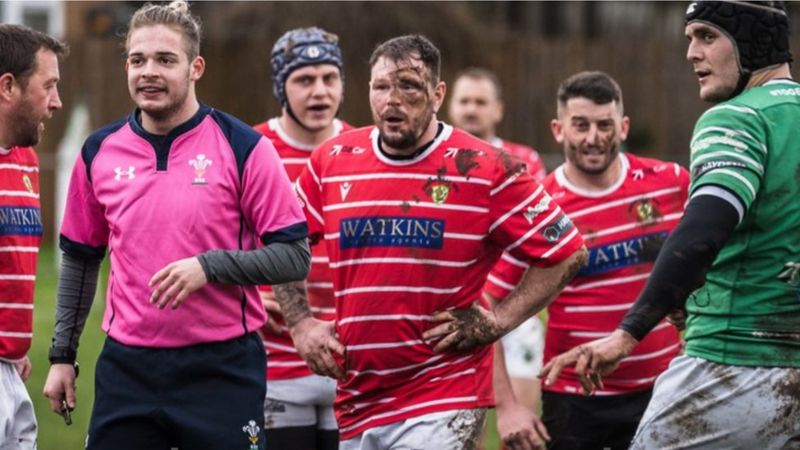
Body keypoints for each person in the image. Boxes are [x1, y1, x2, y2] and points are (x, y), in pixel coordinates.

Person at [276, 34, 587, 450]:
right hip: (358, 398)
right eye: (382, 86)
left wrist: (496, 322)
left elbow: (567, 252)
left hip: (444, 394)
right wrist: (300, 323)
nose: (392, 100)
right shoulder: (332, 160)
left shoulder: (486, 168)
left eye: (409, 86)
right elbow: (282, 240)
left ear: (438, 94)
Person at [41, 2, 310, 449]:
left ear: (195, 67)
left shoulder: (245, 147)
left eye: (166, 60)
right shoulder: (98, 152)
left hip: (222, 368)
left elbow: (294, 255)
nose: (149, 72)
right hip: (127, 369)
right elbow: (81, 259)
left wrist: (209, 266)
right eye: (138, 60)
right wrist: (62, 356)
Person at [541, 2, 800, 448]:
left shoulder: (736, 118)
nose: (691, 53)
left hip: (731, 363)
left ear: (751, 39)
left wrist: (627, 334)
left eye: (706, 36)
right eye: (688, 39)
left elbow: (703, 231)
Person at [493, 71, 688, 450]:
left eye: (605, 125)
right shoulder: (538, 209)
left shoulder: (671, 183)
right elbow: (485, 304)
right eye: (580, 125)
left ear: (624, 126)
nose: (594, 138)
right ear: (558, 129)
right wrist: (506, 407)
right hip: (575, 403)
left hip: (665, 391)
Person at [254, 26, 351, 450]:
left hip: (351, 358)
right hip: (273, 360)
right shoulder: (252, 149)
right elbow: (210, 241)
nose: (319, 92)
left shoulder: (363, 149)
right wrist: (245, 296)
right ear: (281, 86)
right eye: (304, 79)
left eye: (329, 78)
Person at [448, 66, 550, 448]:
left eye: (480, 102)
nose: (472, 110)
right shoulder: (438, 163)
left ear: (498, 110)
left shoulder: (524, 161)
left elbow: (531, 243)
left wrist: (495, 299)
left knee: (521, 428)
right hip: (456, 309)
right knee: (460, 430)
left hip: (514, 310)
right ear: (450, 106)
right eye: (464, 101)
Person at [0, 23, 66, 449]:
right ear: (8, 87)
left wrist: (12, 344)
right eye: (49, 86)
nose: (56, 102)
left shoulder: (25, 160)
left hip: (10, 365)